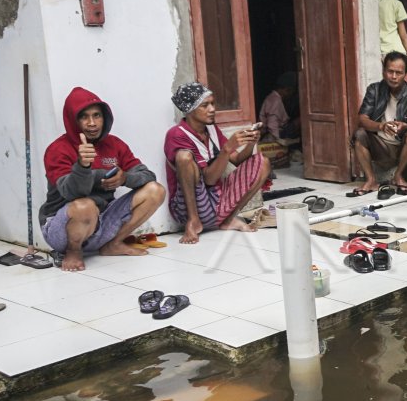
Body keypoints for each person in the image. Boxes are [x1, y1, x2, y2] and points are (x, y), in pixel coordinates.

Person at [39, 86, 166, 272]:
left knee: (155, 190)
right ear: (73, 120)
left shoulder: (114, 144)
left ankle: (113, 244)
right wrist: (82, 166)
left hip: (102, 220)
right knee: (85, 205)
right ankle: (73, 251)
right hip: (63, 228)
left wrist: (125, 178)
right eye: (84, 117)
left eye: (97, 115)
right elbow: (71, 193)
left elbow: (147, 175)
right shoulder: (58, 149)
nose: (92, 123)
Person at [164, 82, 271, 245]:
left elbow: (237, 160)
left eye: (213, 104)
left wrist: (251, 143)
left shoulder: (212, 129)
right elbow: (208, 179)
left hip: (216, 203)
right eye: (205, 105)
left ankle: (228, 220)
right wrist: (227, 148)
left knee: (263, 163)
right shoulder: (177, 134)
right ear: (190, 109)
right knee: (184, 157)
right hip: (188, 208)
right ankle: (193, 222)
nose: (212, 109)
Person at [353, 52, 407, 194]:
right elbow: (362, 119)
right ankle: (371, 180)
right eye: (390, 71)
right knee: (359, 134)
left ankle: (398, 176)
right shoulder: (374, 90)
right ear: (383, 71)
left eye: (398, 73)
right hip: (380, 145)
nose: (394, 77)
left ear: (406, 74)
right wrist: (380, 126)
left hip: (404, 146)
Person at [259, 71, 299, 143]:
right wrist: (276, 141)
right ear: (287, 90)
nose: (290, 95)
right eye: (291, 92)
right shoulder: (276, 101)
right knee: (301, 120)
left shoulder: (272, 97)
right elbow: (272, 124)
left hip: (276, 130)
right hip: (275, 133)